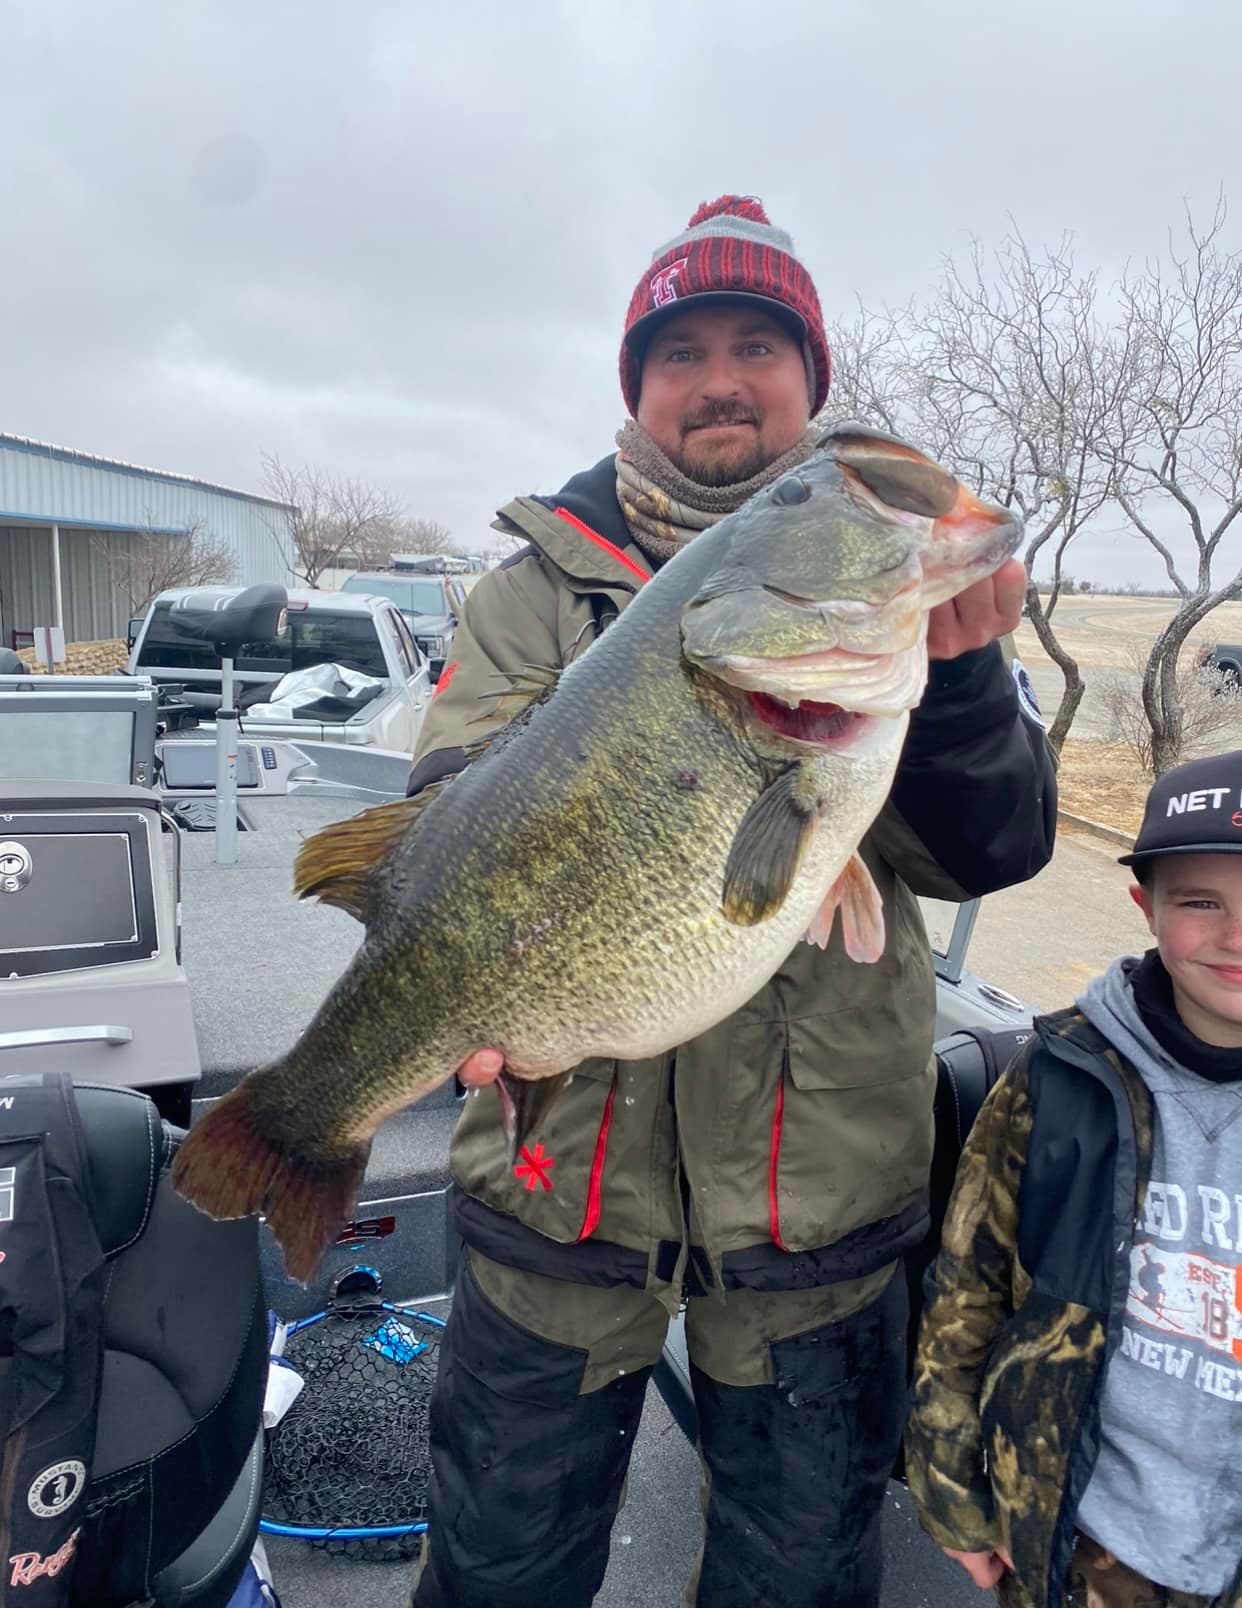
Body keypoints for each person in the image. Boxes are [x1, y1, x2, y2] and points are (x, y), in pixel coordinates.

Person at [407, 194, 1057, 1608]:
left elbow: (987, 855)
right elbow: (446, 823)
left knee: (798, 1581)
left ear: (808, 383)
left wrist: (949, 683)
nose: (717, 379)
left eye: (758, 346)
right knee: (497, 1573)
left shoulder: (883, 588)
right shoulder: (527, 592)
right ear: (633, 390)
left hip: (814, 1219)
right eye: (679, 349)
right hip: (553, 1196)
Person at [905, 750, 1242, 1608]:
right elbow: (966, 1290)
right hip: (1073, 1539)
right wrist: (952, 1492)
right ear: (1146, 905)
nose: (1237, 937)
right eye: (1203, 902)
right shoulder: (1058, 1076)